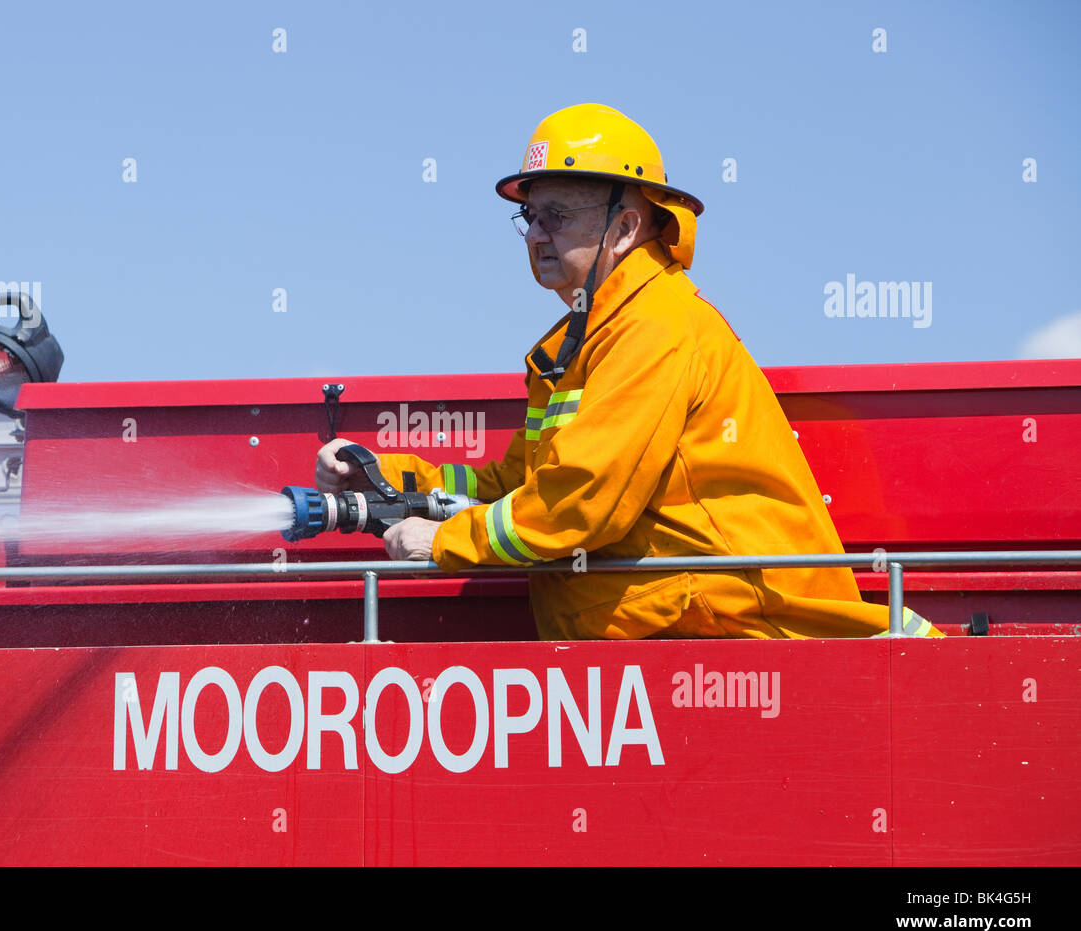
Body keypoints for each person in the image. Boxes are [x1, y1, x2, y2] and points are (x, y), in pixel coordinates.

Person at [316, 103, 942, 640]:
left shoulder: (655, 326)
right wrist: (388, 479)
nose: (534, 234)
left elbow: (582, 500)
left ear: (624, 227)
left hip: (745, 646)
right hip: (687, 646)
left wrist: (445, 543)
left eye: (556, 215)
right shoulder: (588, 340)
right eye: (527, 217)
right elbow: (521, 486)